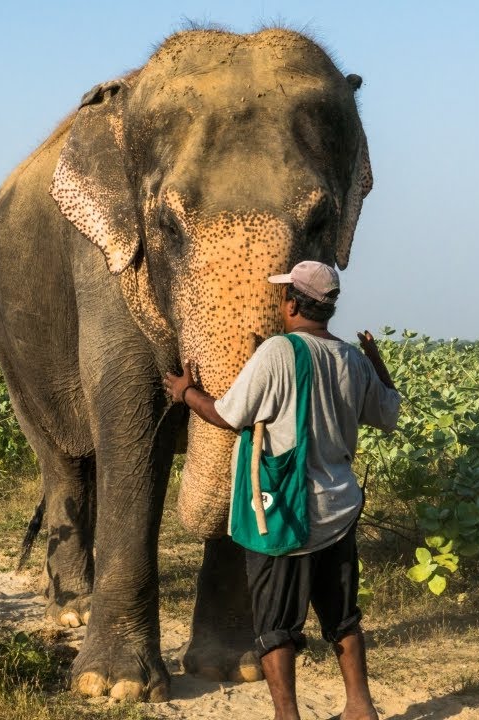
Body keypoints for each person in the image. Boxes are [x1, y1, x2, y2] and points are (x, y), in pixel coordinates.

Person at [163, 260, 399, 720]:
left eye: (283, 295)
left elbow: (228, 415)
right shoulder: (351, 357)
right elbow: (388, 413)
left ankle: (286, 717)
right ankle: (360, 707)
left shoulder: (278, 353)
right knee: (343, 616)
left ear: (292, 303)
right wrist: (377, 362)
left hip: (287, 514)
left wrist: (185, 393)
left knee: (275, 625)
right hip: (339, 508)